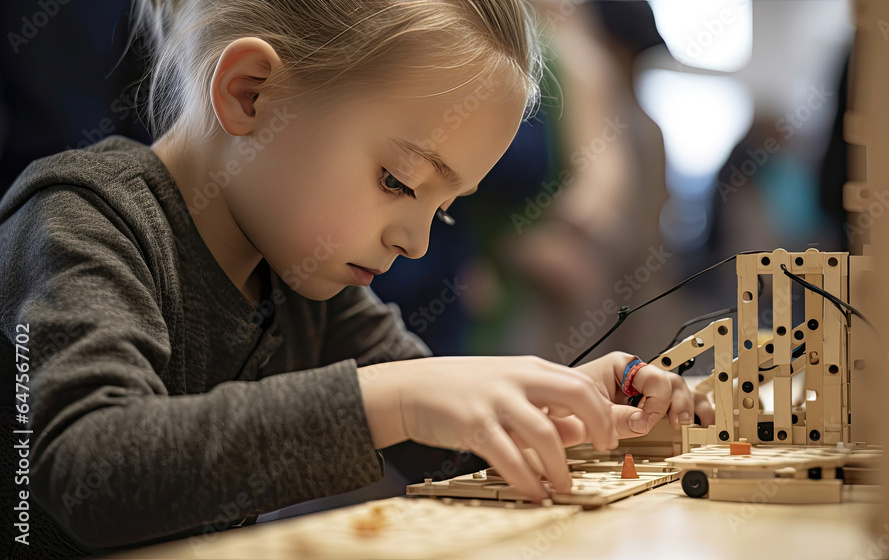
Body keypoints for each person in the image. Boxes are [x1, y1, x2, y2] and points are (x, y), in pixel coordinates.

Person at [0, 0, 713, 555]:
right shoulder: (79, 218)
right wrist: (397, 394)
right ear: (251, 95)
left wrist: (576, 405)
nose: (415, 238)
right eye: (400, 182)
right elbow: (84, 471)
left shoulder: (306, 286)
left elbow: (448, 441)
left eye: (447, 208)